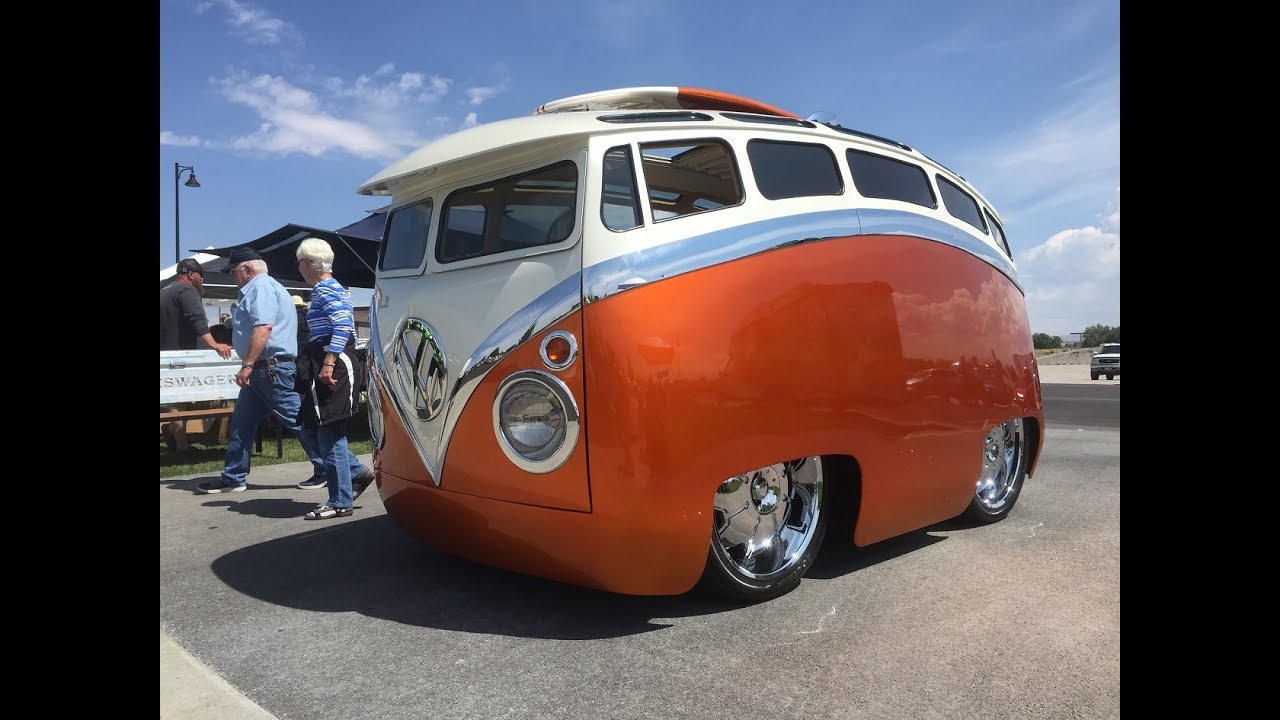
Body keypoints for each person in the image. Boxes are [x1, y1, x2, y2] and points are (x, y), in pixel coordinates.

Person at [195, 247, 325, 493]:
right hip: (264, 370)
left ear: (248, 269)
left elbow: (263, 327)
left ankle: (340, 468)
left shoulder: (260, 288)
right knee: (242, 425)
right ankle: (233, 477)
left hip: (268, 369)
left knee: (297, 421)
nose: (232, 277)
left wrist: (248, 364)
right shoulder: (267, 287)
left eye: (233, 272)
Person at [294, 237, 375, 519]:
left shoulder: (324, 289)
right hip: (333, 359)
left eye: (299, 262)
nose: (299, 268)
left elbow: (342, 325)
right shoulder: (329, 288)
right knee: (313, 431)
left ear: (307, 263)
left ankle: (340, 501)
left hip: (334, 361)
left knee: (329, 434)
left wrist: (328, 362)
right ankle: (355, 474)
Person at [160, 258, 233, 453]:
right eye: (201, 275)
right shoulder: (187, 290)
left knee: (175, 401)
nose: (202, 278)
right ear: (191, 274)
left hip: (167, 356)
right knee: (212, 395)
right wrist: (214, 344)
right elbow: (197, 319)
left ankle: (179, 438)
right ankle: (183, 442)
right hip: (185, 358)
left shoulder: (164, 291)